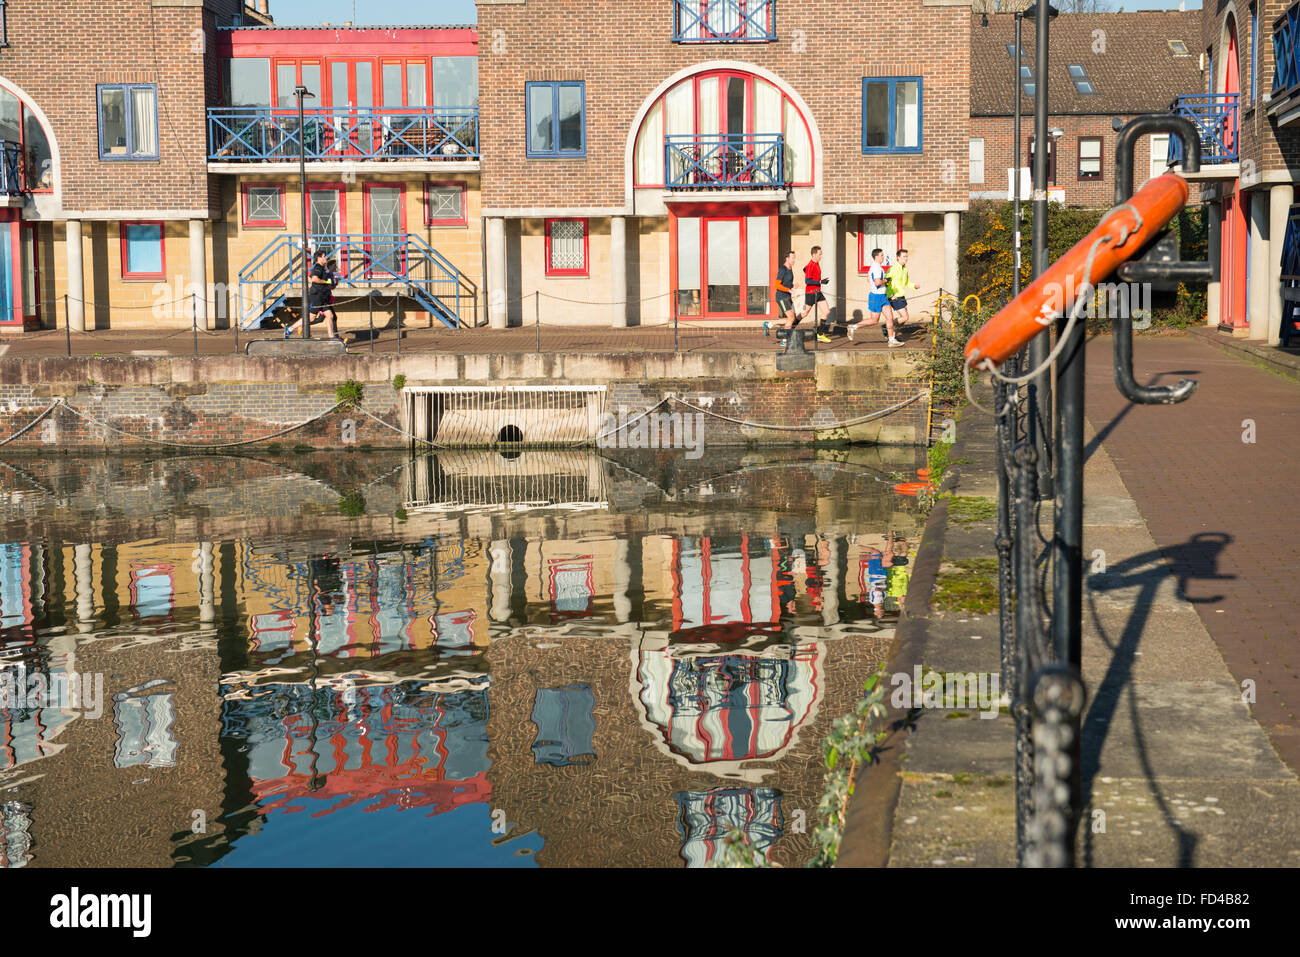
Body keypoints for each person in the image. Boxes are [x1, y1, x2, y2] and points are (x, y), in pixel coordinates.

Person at [848, 248, 903, 347]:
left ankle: (891, 340)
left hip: (883, 296)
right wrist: (886, 280)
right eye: (882, 255)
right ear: (877, 256)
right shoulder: (876, 267)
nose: (883, 257)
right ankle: (853, 327)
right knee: (874, 321)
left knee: (890, 318)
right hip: (876, 297)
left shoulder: (876, 267)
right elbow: (877, 282)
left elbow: (868, 279)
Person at [284, 250, 339, 340]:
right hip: (317, 296)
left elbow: (309, 278)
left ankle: (331, 337)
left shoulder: (322, 268)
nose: (326, 258)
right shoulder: (318, 267)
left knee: (330, 315)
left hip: (323, 296)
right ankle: (290, 329)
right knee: (311, 318)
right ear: (319, 258)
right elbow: (314, 279)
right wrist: (325, 282)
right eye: (324, 256)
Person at [764, 250, 802, 337]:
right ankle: (785, 339)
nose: (794, 260)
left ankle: (769, 324)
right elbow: (777, 285)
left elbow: (786, 283)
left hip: (787, 297)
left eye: (794, 258)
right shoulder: (782, 269)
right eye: (792, 258)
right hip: (781, 297)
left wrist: (792, 286)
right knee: (791, 318)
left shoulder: (790, 269)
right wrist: (789, 290)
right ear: (787, 258)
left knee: (792, 318)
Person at [800, 246, 832, 343]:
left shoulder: (816, 264)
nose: (821, 256)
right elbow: (807, 281)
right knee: (804, 314)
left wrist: (819, 282)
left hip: (818, 293)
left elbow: (804, 269)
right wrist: (820, 281)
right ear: (814, 255)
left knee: (826, 311)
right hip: (810, 293)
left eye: (821, 254)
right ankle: (790, 326)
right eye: (820, 254)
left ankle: (820, 334)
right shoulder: (811, 265)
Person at [885, 247, 921, 332]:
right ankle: (886, 326)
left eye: (907, 256)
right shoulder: (892, 269)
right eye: (904, 256)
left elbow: (907, 282)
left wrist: (914, 286)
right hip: (895, 297)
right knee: (905, 317)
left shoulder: (905, 269)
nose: (906, 258)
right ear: (898, 257)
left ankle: (893, 334)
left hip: (901, 296)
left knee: (904, 320)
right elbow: (886, 283)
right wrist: (891, 295)